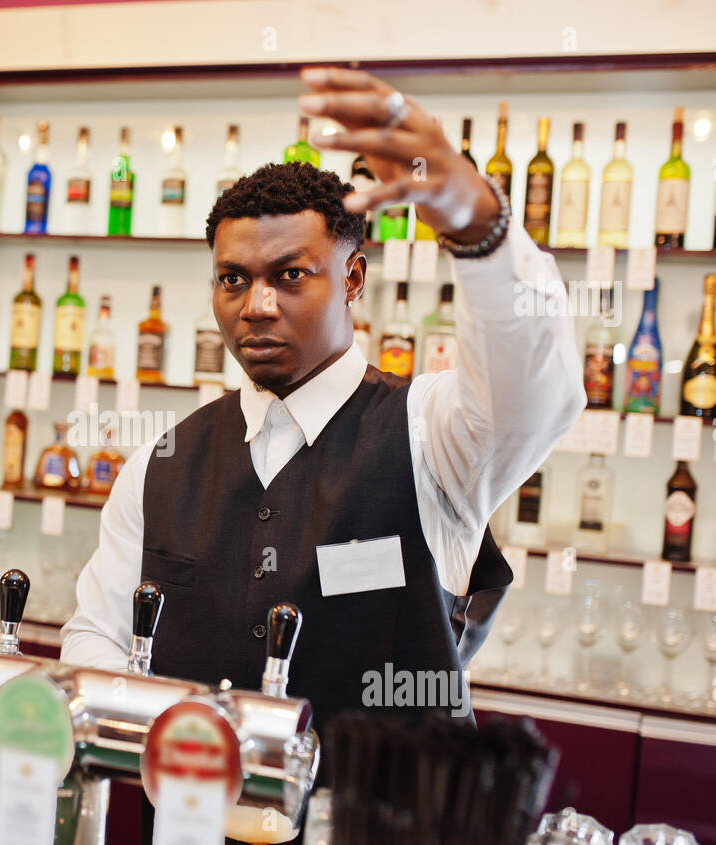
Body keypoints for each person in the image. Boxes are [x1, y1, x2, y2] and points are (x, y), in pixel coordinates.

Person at [61, 66, 583, 738]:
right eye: (232, 279)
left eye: (290, 275)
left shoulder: (430, 438)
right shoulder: (159, 466)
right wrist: (185, 741)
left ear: (352, 278)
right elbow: (96, 641)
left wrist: (478, 226)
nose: (256, 305)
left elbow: (536, 391)